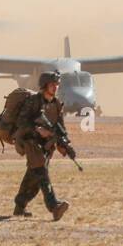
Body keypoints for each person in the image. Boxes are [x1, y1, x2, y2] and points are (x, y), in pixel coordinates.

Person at [11, 71, 72, 221]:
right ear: (45, 85)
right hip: (30, 141)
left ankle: (19, 205)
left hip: (46, 146)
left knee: (34, 176)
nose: (55, 87)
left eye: (57, 85)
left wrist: (65, 143)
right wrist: (37, 129)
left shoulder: (57, 104)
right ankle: (54, 206)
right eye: (52, 85)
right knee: (42, 172)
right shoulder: (34, 101)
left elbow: (60, 127)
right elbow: (21, 122)